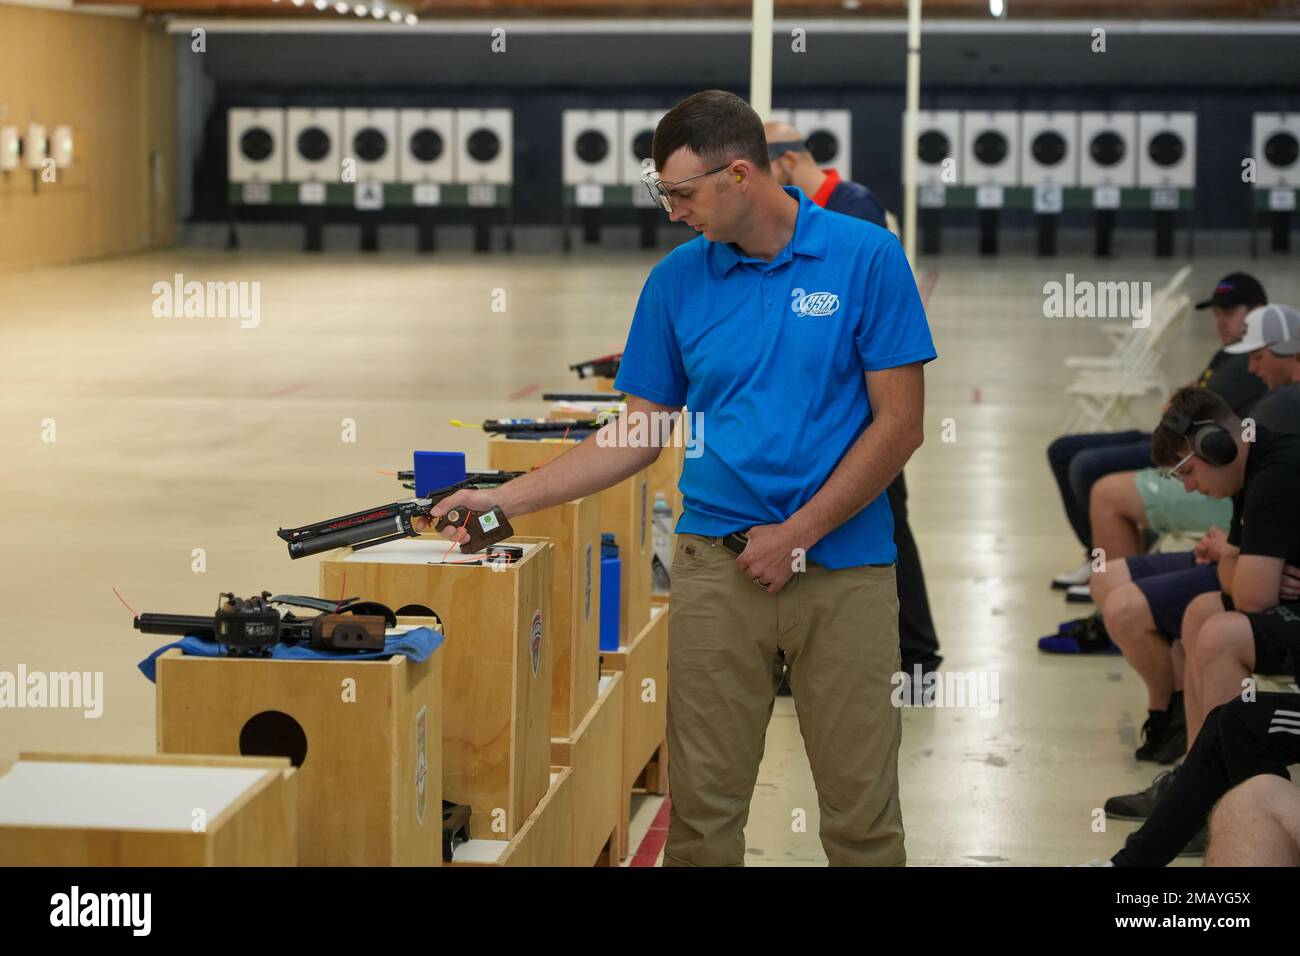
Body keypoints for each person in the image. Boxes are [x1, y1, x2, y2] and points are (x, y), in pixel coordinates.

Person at [421, 90, 936, 866]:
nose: (673, 212)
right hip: (716, 571)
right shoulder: (676, 281)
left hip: (845, 571)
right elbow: (639, 430)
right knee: (701, 819)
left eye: (684, 194)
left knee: (862, 818)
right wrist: (502, 499)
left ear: (740, 175)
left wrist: (797, 536)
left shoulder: (866, 257)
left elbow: (899, 425)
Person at [764, 119, 942, 683]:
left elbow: (840, 314)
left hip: (862, 410)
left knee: (887, 519)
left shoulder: (852, 209)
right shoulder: (834, 204)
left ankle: (915, 655)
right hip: (845, 405)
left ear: (787, 162)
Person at [1093, 305, 1300, 760]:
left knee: (1216, 627)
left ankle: (1224, 788)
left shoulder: (1274, 471)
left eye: (1187, 474)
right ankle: (1193, 775)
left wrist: (1234, 557)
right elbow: (1246, 580)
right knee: (1197, 612)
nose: (1190, 488)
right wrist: (1236, 559)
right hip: (1263, 591)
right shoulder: (1255, 466)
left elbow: (1252, 600)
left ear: (1217, 447)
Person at [1045, 273, 1268, 594]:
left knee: (1087, 468)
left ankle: (1106, 564)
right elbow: (1188, 404)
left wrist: (1178, 409)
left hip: (1186, 448)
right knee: (1062, 451)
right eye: (1217, 314)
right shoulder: (1230, 353)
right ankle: (1097, 554)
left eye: (1229, 314)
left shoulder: (1246, 361)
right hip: (1174, 437)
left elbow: (1189, 412)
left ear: (1257, 310)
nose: (1220, 322)